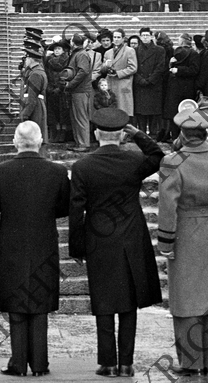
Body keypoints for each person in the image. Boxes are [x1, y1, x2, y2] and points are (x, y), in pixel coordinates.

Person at [69, 108, 164, 378]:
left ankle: (108, 362)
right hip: (131, 236)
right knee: (128, 303)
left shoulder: (83, 166)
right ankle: (127, 363)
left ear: (96, 133)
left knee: (104, 300)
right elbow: (158, 157)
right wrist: (139, 135)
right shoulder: (133, 161)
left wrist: (77, 246)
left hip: (98, 238)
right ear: (122, 135)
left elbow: (76, 210)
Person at [0, 121, 70, 377]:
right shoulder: (57, 171)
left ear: (15, 142)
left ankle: (19, 362)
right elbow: (64, 207)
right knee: (40, 302)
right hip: (44, 241)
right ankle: (40, 363)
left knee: (16, 302)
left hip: (10, 243)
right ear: (40, 141)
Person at [158, 101, 208, 376]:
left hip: (187, 231)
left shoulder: (173, 162)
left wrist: (165, 242)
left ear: (182, 133)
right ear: (206, 132)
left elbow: (168, 206)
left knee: (187, 299)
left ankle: (191, 362)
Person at [132, 27, 165, 136]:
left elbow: (160, 67)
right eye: (143, 35)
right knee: (141, 114)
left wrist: (151, 80)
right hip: (140, 85)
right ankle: (142, 136)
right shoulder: (135, 51)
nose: (145, 37)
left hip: (153, 85)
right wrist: (140, 79)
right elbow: (133, 67)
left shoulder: (159, 50)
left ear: (151, 37)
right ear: (140, 37)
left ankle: (153, 135)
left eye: (147, 35)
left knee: (153, 113)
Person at [64, 33, 93, 153]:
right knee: (76, 117)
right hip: (77, 91)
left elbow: (83, 71)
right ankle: (79, 142)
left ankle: (84, 143)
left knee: (81, 117)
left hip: (81, 91)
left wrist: (70, 84)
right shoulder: (78, 53)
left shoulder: (81, 54)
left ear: (73, 42)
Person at [99, 29, 137, 117]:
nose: (116, 39)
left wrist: (118, 73)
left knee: (122, 111)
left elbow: (133, 68)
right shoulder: (108, 52)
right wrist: (105, 66)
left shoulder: (129, 51)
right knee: (111, 111)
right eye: (114, 37)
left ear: (123, 38)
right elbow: (102, 69)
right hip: (110, 83)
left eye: (118, 37)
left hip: (123, 83)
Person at [19, 41, 48, 141]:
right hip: (37, 106)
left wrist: (25, 113)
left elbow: (32, 97)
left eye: (26, 58)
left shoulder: (35, 74)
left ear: (31, 59)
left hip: (35, 108)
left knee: (34, 139)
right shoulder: (36, 71)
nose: (25, 61)